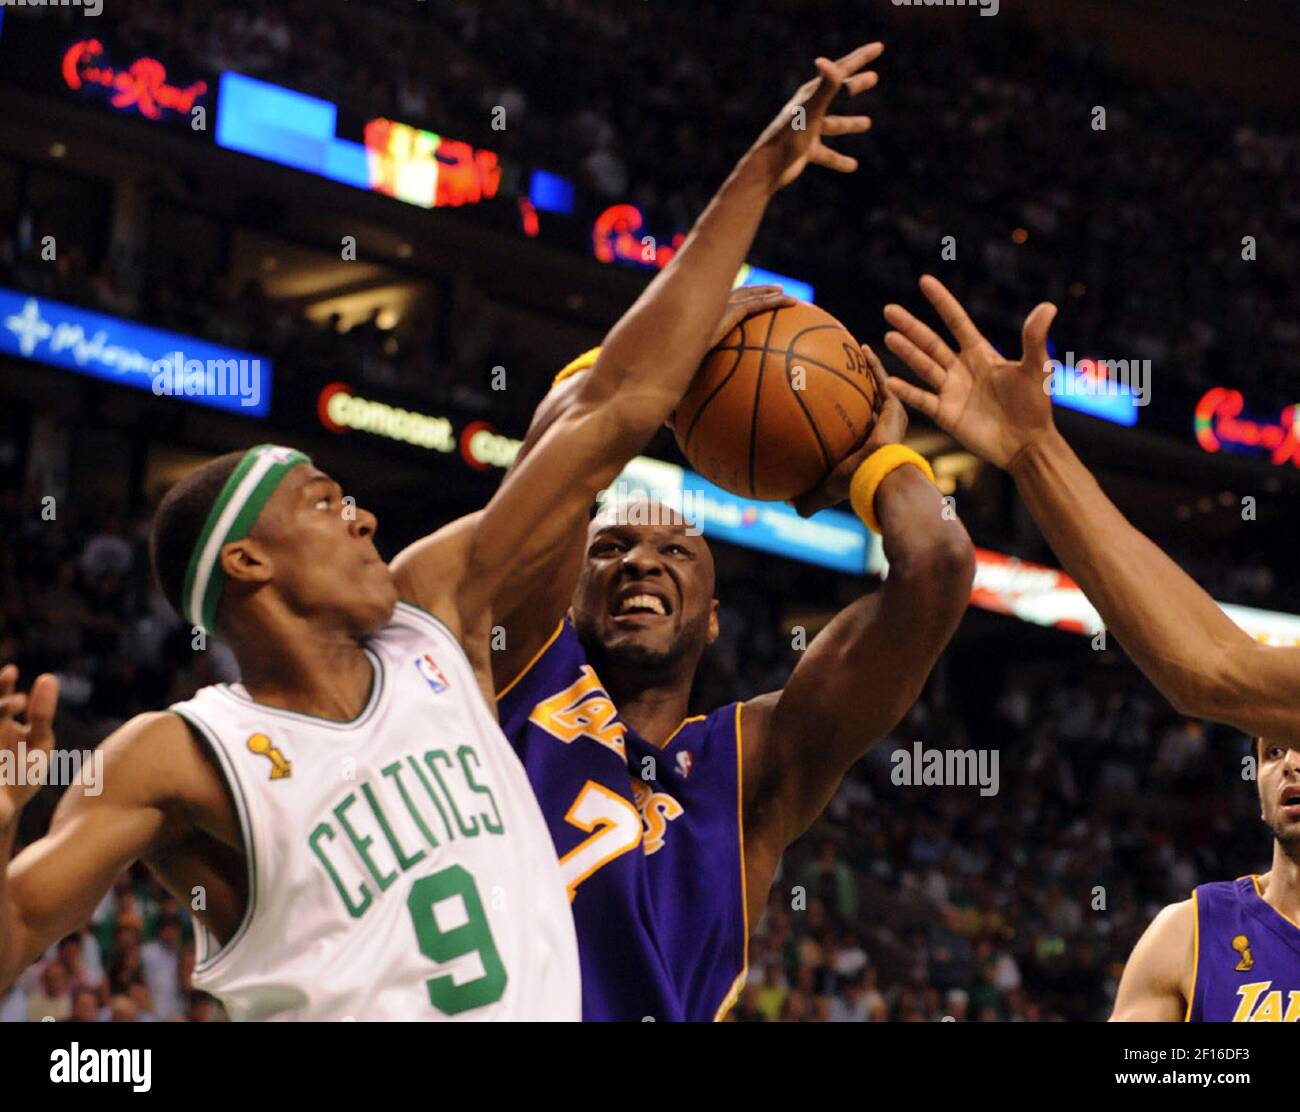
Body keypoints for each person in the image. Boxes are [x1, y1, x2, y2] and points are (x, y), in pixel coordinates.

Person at [0, 42, 881, 1021]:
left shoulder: (435, 618)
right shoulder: (178, 751)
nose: (365, 513)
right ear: (249, 560)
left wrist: (757, 175)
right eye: (326, 503)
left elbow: (608, 411)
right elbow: (24, 924)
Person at [427, 273, 974, 1017]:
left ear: (713, 618)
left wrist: (875, 464)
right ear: (568, 592)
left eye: (675, 552)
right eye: (609, 547)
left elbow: (937, 569)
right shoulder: (519, 668)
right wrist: (651, 360)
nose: (640, 561)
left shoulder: (751, 764)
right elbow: (553, 473)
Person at [879, 274, 1300, 1021]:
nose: (1293, 760)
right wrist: (1035, 452)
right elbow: (1207, 666)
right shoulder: (1191, 939)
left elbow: (1209, 668)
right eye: (1276, 747)